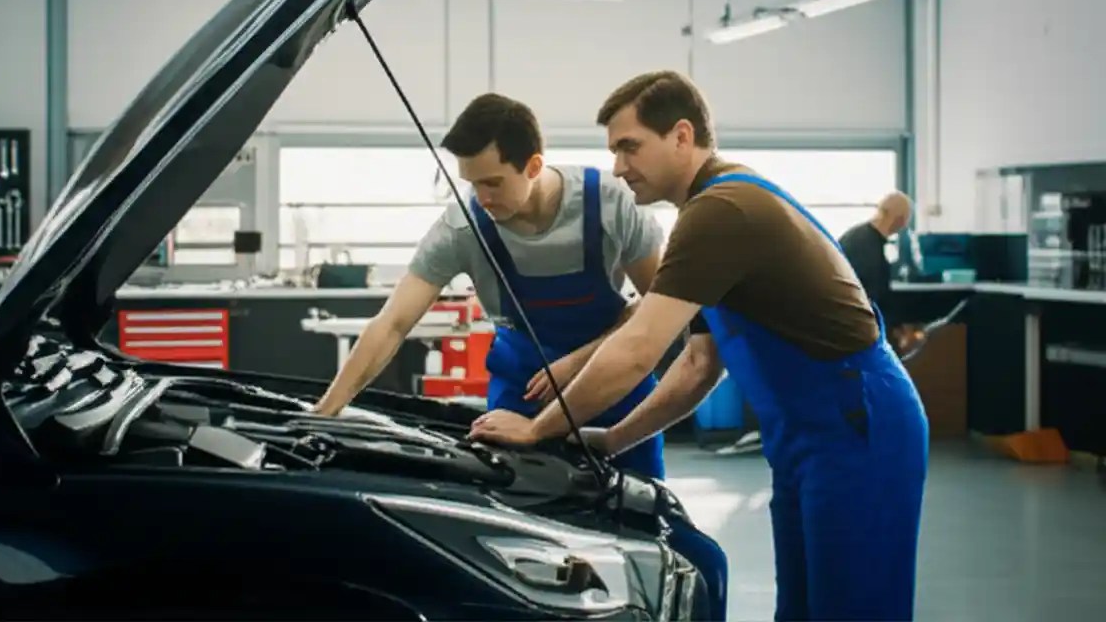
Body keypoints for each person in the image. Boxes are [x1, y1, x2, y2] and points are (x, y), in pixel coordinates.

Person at [468, 70, 929, 622]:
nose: (618, 166)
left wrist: (540, 427)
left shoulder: (721, 210)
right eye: (613, 150)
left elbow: (639, 348)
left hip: (859, 424)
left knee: (854, 610)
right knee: (805, 609)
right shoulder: (707, 212)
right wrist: (612, 438)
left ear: (682, 136)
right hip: (807, 438)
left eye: (629, 146)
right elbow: (697, 365)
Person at [310, 91, 671, 479]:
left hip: (615, 387)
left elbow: (659, 308)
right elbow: (392, 324)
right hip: (522, 396)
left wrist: (580, 361)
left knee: (644, 512)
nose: (481, 198)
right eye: (471, 184)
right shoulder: (462, 228)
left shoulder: (610, 205)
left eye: (493, 183)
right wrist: (324, 413)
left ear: (533, 166)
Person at [838, 191, 913, 316]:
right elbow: (870, 294)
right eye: (905, 219)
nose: (904, 225)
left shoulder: (860, 236)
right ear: (898, 219)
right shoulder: (867, 246)